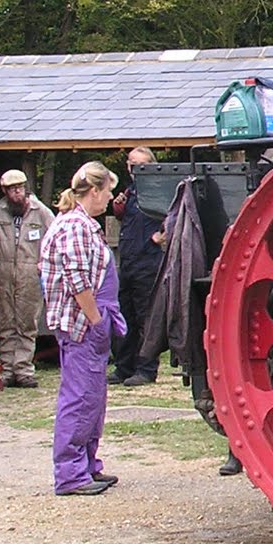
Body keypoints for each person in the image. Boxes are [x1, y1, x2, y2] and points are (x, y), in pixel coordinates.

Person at [40, 161, 125, 496]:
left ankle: (87, 466)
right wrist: (96, 320)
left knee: (92, 398)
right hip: (82, 327)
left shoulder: (82, 224)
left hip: (88, 327)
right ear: (94, 190)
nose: (110, 198)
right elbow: (78, 280)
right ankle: (71, 474)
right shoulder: (75, 227)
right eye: (107, 191)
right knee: (79, 398)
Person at [0, 168, 56, 388]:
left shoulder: (41, 211)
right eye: (11, 190)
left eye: (19, 188)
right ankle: (7, 369)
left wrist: (44, 262)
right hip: (3, 272)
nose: (16, 194)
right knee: (6, 323)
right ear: (5, 191)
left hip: (30, 272)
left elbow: (55, 237)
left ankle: (24, 369)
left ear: (25, 187)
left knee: (27, 323)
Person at [109, 147, 166, 387]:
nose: (135, 169)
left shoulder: (159, 191)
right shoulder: (129, 192)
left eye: (140, 165)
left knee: (146, 317)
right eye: (132, 164)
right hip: (129, 260)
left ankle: (146, 368)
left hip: (149, 260)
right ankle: (124, 367)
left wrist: (161, 236)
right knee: (125, 315)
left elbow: (175, 215)